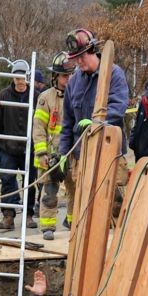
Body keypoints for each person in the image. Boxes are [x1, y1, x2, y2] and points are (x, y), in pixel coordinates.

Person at [58, 28, 130, 212]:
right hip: (82, 155)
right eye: (76, 58)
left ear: (92, 51)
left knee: (115, 208)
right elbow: (67, 122)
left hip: (110, 153)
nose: (79, 62)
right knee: (85, 208)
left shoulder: (114, 74)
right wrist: (63, 152)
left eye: (82, 56)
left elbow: (119, 106)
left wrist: (99, 121)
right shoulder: (73, 83)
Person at [0, 59, 36, 231]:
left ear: (27, 78)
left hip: (29, 148)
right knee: (7, 181)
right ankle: (8, 216)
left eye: (22, 78)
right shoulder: (4, 95)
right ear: (12, 79)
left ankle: (29, 214)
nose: (20, 82)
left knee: (30, 181)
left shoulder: (35, 96)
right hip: (8, 148)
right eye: (16, 78)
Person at [33, 53, 76, 238]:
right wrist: (42, 153)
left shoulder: (78, 95)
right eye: (65, 75)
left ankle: (74, 222)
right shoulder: (46, 98)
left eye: (72, 75)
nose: (69, 79)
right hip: (52, 155)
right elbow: (39, 128)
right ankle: (48, 227)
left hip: (74, 153)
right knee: (49, 192)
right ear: (56, 76)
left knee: (76, 190)